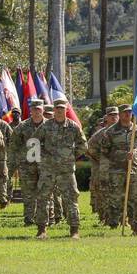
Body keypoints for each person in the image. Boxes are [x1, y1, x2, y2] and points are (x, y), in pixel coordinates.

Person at [35, 98, 87, 239]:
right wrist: (42, 159)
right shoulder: (45, 126)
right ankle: (42, 230)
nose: (59, 111)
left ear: (66, 110)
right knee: (43, 198)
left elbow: (83, 145)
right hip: (48, 169)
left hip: (66, 170)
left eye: (62, 108)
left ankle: (74, 230)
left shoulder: (73, 126)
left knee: (71, 198)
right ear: (54, 109)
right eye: (57, 108)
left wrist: (71, 156)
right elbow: (34, 143)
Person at [87, 105, 137, 229]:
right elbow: (99, 150)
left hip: (133, 170)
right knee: (114, 197)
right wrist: (102, 161)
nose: (127, 114)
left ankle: (131, 223)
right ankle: (112, 222)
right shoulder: (108, 132)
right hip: (115, 169)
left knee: (132, 198)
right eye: (124, 112)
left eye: (129, 112)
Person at [11, 98, 50, 226]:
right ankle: (29, 219)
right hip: (27, 165)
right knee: (28, 193)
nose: (36, 112)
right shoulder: (23, 126)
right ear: (30, 111)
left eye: (39, 109)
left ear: (43, 110)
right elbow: (13, 144)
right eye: (34, 109)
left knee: (45, 192)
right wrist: (20, 158)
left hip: (45, 165)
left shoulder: (50, 126)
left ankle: (47, 218)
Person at [87, 106, 122, 223]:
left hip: (120, 169)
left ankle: (123, 218)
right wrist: (102, 159)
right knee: (103, 193)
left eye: (116, 115)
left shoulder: (124, 131)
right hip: (104, 169)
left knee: (120, 192)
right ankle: (105, 217)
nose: (114, 117)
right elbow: (89, 148)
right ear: (106, 117)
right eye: (111, 115)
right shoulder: (100, 134)